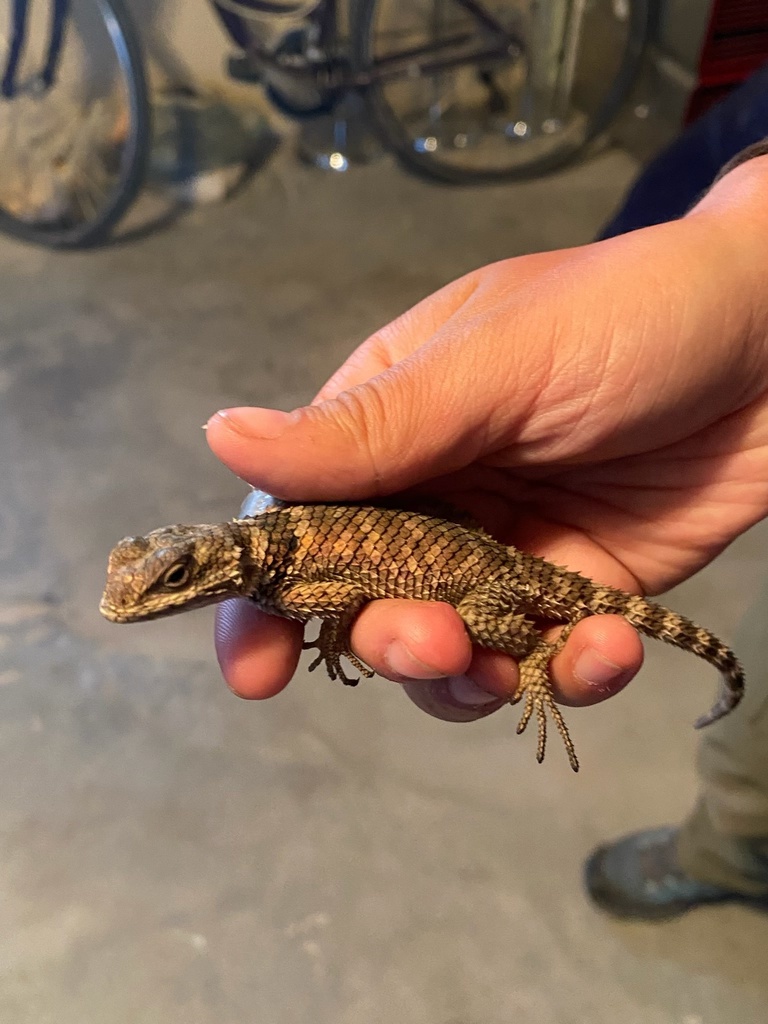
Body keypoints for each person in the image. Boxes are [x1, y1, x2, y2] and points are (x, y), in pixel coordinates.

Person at [206, 70, 768, 919]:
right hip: (467, 540)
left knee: (478, 630)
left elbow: (344, 591)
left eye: (169, 582)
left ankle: (543, 656)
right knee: (434, 641)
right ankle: (734, 838)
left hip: (486, 575)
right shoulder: (273, 571)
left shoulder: (284, 577)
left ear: (203, 568)